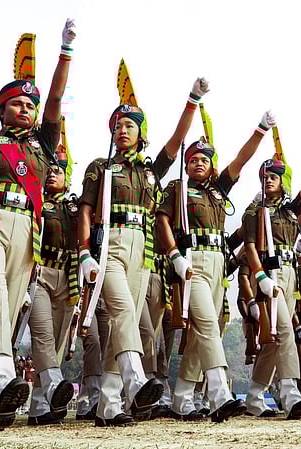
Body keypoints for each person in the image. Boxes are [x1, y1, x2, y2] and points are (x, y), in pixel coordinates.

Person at [0, 19, 76, 430]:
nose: (25, 110)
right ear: (2, 107)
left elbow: (55, 96)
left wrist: (65, 52)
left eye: (29, 106)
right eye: (17, 104)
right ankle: (3, 382)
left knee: (3, 317)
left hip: (27, 228)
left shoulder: (43, 144)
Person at [78, 78, 211, 426]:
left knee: (123, 324)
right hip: (110, 244)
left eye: (129, 125)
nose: (122, 130)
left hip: (142, 250)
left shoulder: (150, 171)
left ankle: (109, 405)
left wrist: (193, 100)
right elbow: (86, 211)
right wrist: (84, 252)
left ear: (141, 133)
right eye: (117, 126)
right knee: (123, 311)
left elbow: (176, 141)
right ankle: (137, 383)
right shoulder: (101, 166)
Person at [157, 112, 278, 423]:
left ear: (212, 165)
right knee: (208, 325)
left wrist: (261, 130)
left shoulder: (219, 190)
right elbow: (162, 221)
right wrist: (174, 254)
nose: (198, 163)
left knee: (202, 334)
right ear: (186, 166)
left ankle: (182, 398)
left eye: (204, 159)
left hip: (218, 264)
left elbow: (242, 159)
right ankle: (220, 395)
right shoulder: (177, 189)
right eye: (192, 160)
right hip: (192, 262)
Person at [240, 146, 301, 419]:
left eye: (274, 176)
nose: (268, 180)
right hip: (268, 274)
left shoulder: (290, 211)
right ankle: (291, 392)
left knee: (273, 341)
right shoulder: (253, 211)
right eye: (265, 177)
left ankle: (254, 396)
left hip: (289, 273)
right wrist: (259, 276)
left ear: (283, 182)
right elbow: (249, 246)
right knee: (284, 331)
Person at [26, 149, 78, 425]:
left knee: (56, 342)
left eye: (58, 171)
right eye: (48, 170)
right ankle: (55, 387)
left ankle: (39, 406)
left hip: (67, 276)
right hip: (41, 272)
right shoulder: (35, 202)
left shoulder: (74, 208)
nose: (52, 175)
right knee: (43, 335)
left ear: (68, 178)